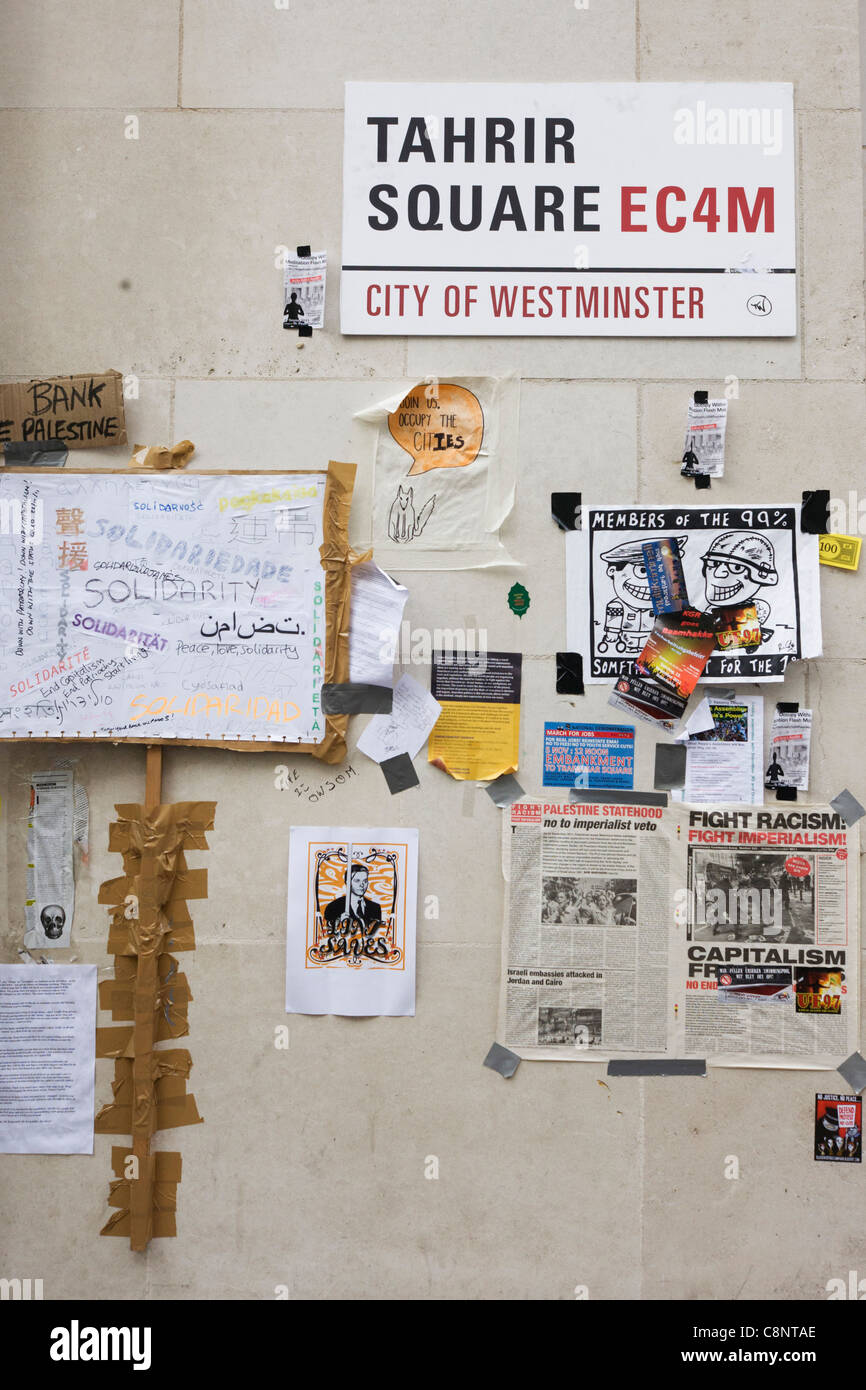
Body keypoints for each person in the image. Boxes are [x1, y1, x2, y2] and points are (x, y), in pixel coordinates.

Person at [324, 864, 382, 930]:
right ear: (348, 882)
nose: (362, 885)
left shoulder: (375, 908)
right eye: (357, 881)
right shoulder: (333, 907)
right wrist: (339, 923)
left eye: (365, 881)